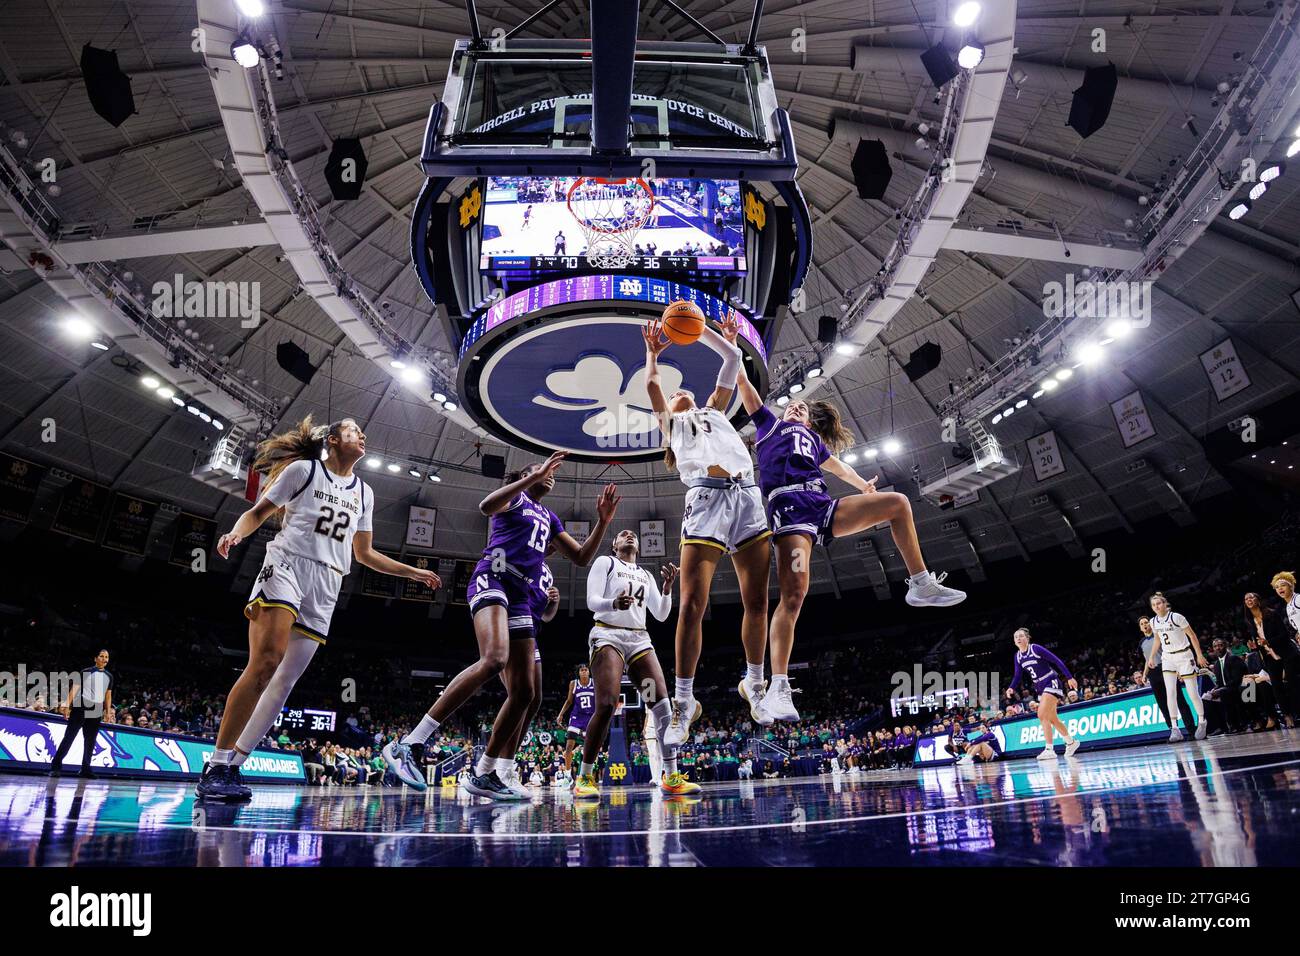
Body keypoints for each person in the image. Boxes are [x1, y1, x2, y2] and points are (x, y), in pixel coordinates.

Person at [198, 417, 440, 801]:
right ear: (332, 441)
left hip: (328, 584)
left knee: (284, 682)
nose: (362, 435)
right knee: (266, 663)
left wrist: (412, 571)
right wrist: (235, 533)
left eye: (362, 433)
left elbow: (364, 554)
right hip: (288, 564)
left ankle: (232, 767)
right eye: (353, 430)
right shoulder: (303, 470)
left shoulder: (365, 492)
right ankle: (216, 761)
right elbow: (258, 512)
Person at [729, 337, 966, 723]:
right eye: (792, 404)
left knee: (897, 504)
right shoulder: (770, 428)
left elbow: (841, 470)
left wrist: (863, 488)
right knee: (793, 596)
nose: (796, 405)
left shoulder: (815, 444)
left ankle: (921, 584)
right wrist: (733, 351)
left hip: (823, 507)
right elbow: (744, 386)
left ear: (810, 421)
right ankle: (779, 686)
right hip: (791, 514)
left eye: (802, 406)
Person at [384, 453, 618, 800]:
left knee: (526, 693)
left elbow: (582, 557)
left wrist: (602, 522)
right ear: (525, 476)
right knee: (494, 659)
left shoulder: (550, 518)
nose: (549, 475)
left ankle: (486, 773)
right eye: (541, 471)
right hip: (493, 576)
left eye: (550, 473)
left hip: (522, 593)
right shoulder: (515, 498)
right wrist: (530, 476)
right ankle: (411, 743)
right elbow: (485, 506)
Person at [642, 314, 771, 746]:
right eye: (677, 392)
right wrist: (653, 353)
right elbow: (652, 388)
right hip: (706, 500)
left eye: (685, 389)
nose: (681, 392)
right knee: (692, 605)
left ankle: (754, 682)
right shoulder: (671, 425)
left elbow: (733, 356)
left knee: (757, 600)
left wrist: (711, 334)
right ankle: (683, 703)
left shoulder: (715, 409)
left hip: (747, 496)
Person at [572, 529, 699, 798]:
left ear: (638, 547)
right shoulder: (606, 563)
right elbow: (591, 601)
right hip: (608, 634)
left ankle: (671, 776)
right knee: (606, 704)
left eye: (633, 535)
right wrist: (613, 603)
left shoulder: (646, 574)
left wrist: (666, 590)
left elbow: (662, 614)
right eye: (623, 534)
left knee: (661, 704)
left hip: (639, 641)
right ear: (615, 545)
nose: (629, 535)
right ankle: (584, 777)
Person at [1005, 628, 1080, 760]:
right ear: (1014, 641)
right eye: (1016, 637)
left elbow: (1056, 661)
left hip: (1051, 681)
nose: (1018, 638)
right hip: (1039, 686)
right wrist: (1011, 688)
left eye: (1021, 636)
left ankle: (1049, 749)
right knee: (1052, 718)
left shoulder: (1035, 649)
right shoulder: (1017, 656)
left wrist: (1069, 677)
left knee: (1041, 714)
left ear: (1027, 638)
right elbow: (1017, 675)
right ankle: (1071, 742)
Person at [1144, 592, 1208, 742]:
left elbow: (1192, 635)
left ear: (1165, 604)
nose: (1156, 607)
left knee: (1192, 693)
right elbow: (1157, 641)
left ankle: (1202, 721)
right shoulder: (1153, 622)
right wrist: (1152, 657)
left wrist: (1199, 655)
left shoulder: (1177, 617)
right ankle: (1175, 728)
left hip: (1184, 655)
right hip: (1168, 657)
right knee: (1170, 693)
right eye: (1153, 605)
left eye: (1158, 603)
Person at [49, 649, 114, 778]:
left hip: (96, 710)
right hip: (80, 707)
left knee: (90, 741)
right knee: (69, 737)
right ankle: (56, 767)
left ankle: (85, 769)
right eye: (101, 656)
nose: (104, 659)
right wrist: (67, 704)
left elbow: (108, 695)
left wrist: (107, 712)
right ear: (95, 658)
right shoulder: (85, 672)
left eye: (106, 657)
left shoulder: (109, 676)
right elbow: (75, 689)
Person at [1138, 615, 1198, 734]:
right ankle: (1173, 730)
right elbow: (1147, 659)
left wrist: (1178, 669)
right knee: (1162, 703)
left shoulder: (1160, 636)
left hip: (1167, 667)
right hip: (1153, 673)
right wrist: (1144, 674)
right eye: (1142, 624)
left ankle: (1191, 729)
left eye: (1146, 622)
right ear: (1140, 628)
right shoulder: (1141, 643)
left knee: (1179, 699)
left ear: (1151, 624)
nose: (1145, 625)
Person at [557, 664, 596, 778]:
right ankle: (568, 775)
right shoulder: (574, 683)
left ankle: (586, 774)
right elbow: (569, 701)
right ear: (578, 673)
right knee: (569, 746)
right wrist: (561, 714)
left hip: (590, 717)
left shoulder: (594, 682)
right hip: (576, 717)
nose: (584, 672)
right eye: (582, 670)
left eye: (586, 670)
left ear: (589, 672)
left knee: (591, 747)